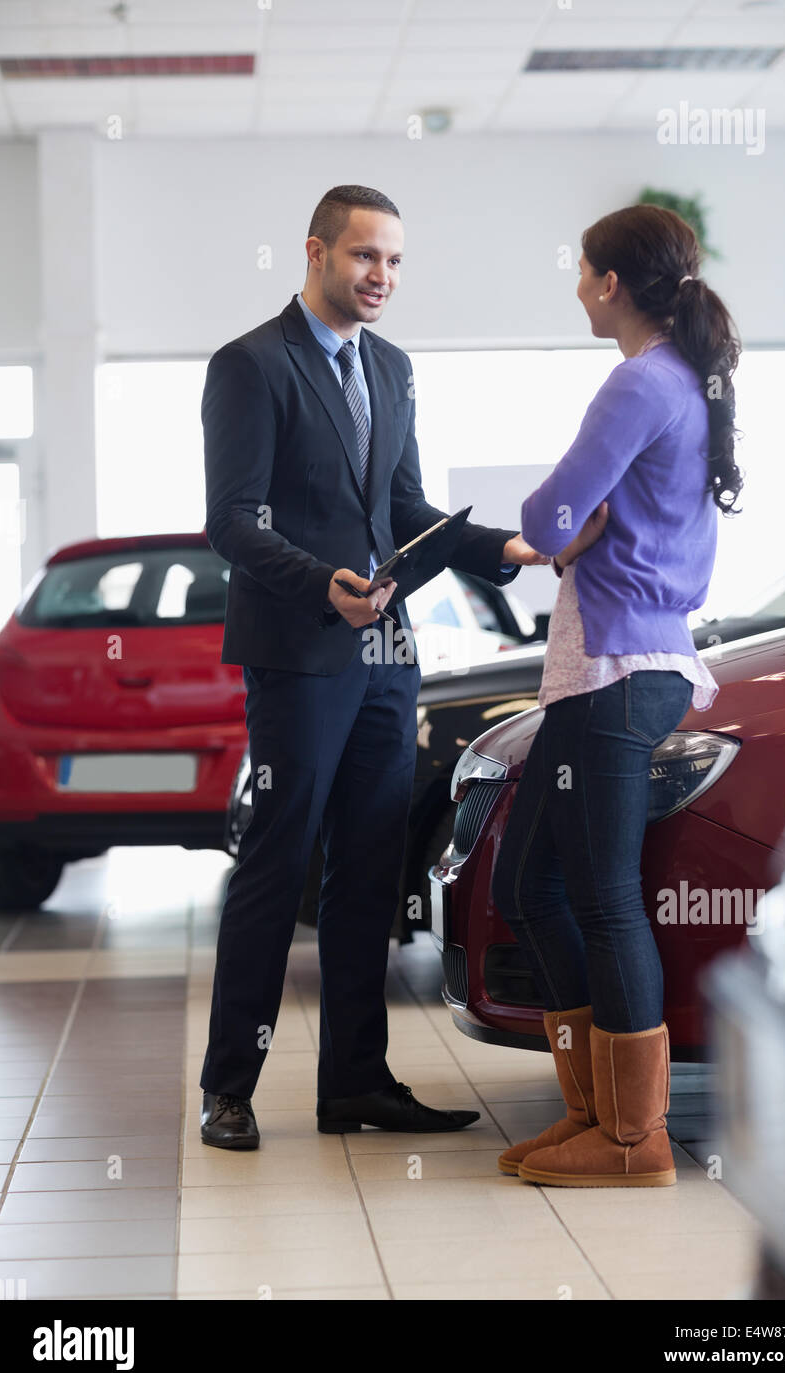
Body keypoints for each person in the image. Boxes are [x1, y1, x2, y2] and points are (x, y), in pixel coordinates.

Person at [199, 184, 548, 1149]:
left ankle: (354, 1082)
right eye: (365, 258)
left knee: (368, 866)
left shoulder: (389, 369)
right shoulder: (250, 365)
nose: (382, 277)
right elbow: (230, 519)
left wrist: (509, 550)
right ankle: (228, 1088)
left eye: (394, 261)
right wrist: (324, 586)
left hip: (390, 659)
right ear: (315, 254)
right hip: (301, 654)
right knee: (277, 865)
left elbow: (405, 506)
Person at [491, 203, 743, 1188]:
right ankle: (592, 1111)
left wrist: (566, 526)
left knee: (596, 895)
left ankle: (632, 1140)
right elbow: (569, 523)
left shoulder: (638, 382)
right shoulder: (680, 378)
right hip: (606, 669)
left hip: (616, 672)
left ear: (606, 282)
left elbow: (544, 515)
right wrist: (573, 527)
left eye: (581, 270)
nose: (576, 285)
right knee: (529, 887)